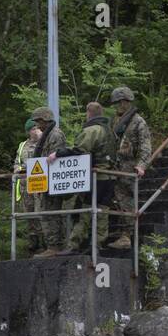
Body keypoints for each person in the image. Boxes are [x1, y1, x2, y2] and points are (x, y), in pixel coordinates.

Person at [53, 102, 117, 251]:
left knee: (85, 211)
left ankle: (73, 245)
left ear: (89, 113)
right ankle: (98, 244)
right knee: (103, 211)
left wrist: (58, 153)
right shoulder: (110, 131)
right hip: (111, 177)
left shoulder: (92, 131)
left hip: (96, 178)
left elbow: (80, 150)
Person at [14, 107, 67, 256]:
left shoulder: (55, 135)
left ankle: (55, 247)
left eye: (39, 121)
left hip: (52, 181)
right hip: (44, 181)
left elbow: (54, 158)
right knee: (45, 213)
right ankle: (51, 246)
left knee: (51, 213)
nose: (37, 125)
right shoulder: (47, 135)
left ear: (45, 119)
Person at [109, 86, 152, 249]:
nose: (117, 107)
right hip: (115, 167)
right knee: (118, 200)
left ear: (126, 102)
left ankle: (127, 235)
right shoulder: (115, 121)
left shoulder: (138, 122)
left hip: (129, 168)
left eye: (119, 103)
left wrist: (141, 165)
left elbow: (145, 146)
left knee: (126, 199)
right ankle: (123, 232)